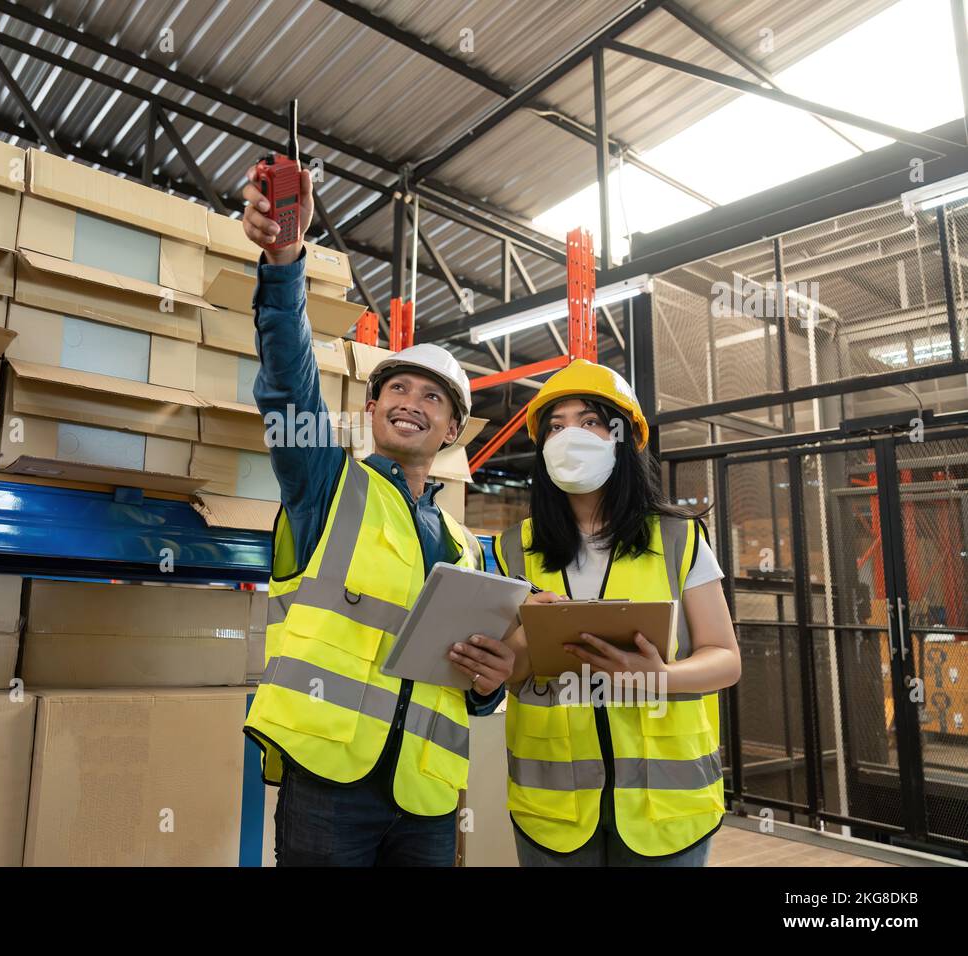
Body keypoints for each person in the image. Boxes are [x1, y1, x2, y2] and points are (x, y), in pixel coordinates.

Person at [239, 164, 515, 866]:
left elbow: (477, 693)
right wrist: (283, 266)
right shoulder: (327, 485)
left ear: (452, 430)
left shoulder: (467, 545)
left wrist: (491, 682)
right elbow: (286, 385)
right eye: (398, 387)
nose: (412, 402)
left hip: (426, 795)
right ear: (370, 407)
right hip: (331, 781)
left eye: (433, 398)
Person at [493, 358, 741, 867]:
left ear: (622, 436)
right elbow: (506, 673)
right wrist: (520, 640)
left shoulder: (677, 539)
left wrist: (660, 677)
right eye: (555, 428)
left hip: (665, 811)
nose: (569, 437)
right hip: (555, 807)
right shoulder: (511, 550)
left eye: (588, 422)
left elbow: (725, 658)